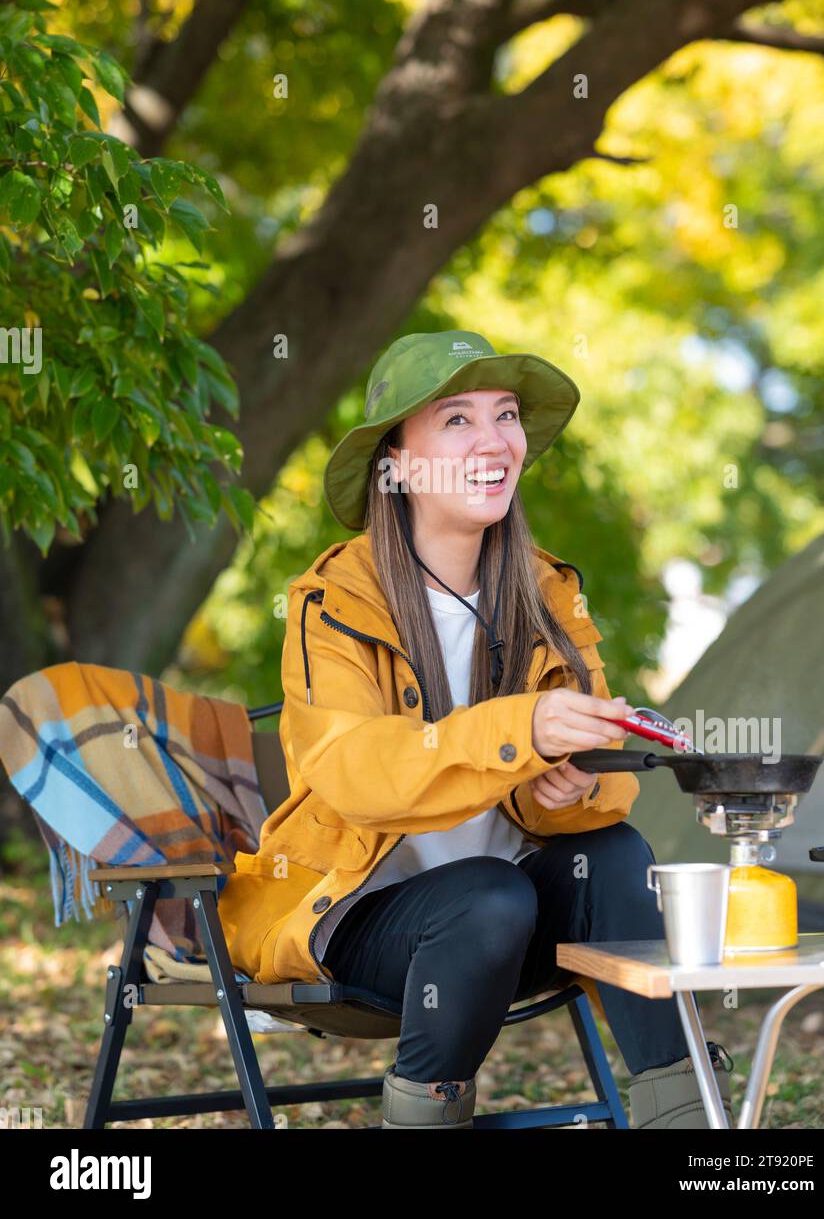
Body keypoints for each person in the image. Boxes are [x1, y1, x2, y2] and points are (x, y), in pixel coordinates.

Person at [218, 328, 734, 1129]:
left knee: (616, 855)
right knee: (485, 895)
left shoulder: (546, 593)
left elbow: (606, 799)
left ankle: (691, 1125)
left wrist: (570, 791)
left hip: (512, 924)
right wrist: (516, 729)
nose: (495, 441)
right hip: (361, 920)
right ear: (395, 463)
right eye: (456, 420)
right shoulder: (334, 601)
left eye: (506, 416)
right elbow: (353, 772)